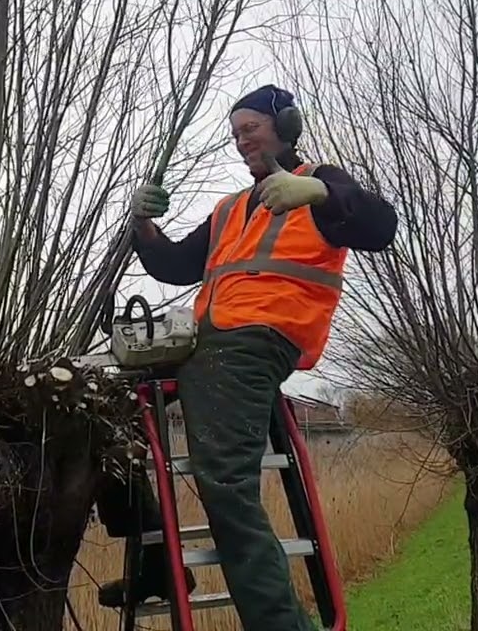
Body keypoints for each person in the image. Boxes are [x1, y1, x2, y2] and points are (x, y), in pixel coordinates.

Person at [95, 84, 397, 630]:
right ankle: (156, 561)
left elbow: (381, 226)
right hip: (205, 341)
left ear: (287, 125)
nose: (241, 141)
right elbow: (174, 265)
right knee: (98, 409)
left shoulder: (320, 182)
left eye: (250, 128)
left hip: (256, 343)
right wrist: (142, 224)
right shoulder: (231, 209)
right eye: (235, 133)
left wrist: (317, 193)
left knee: (224, 485)